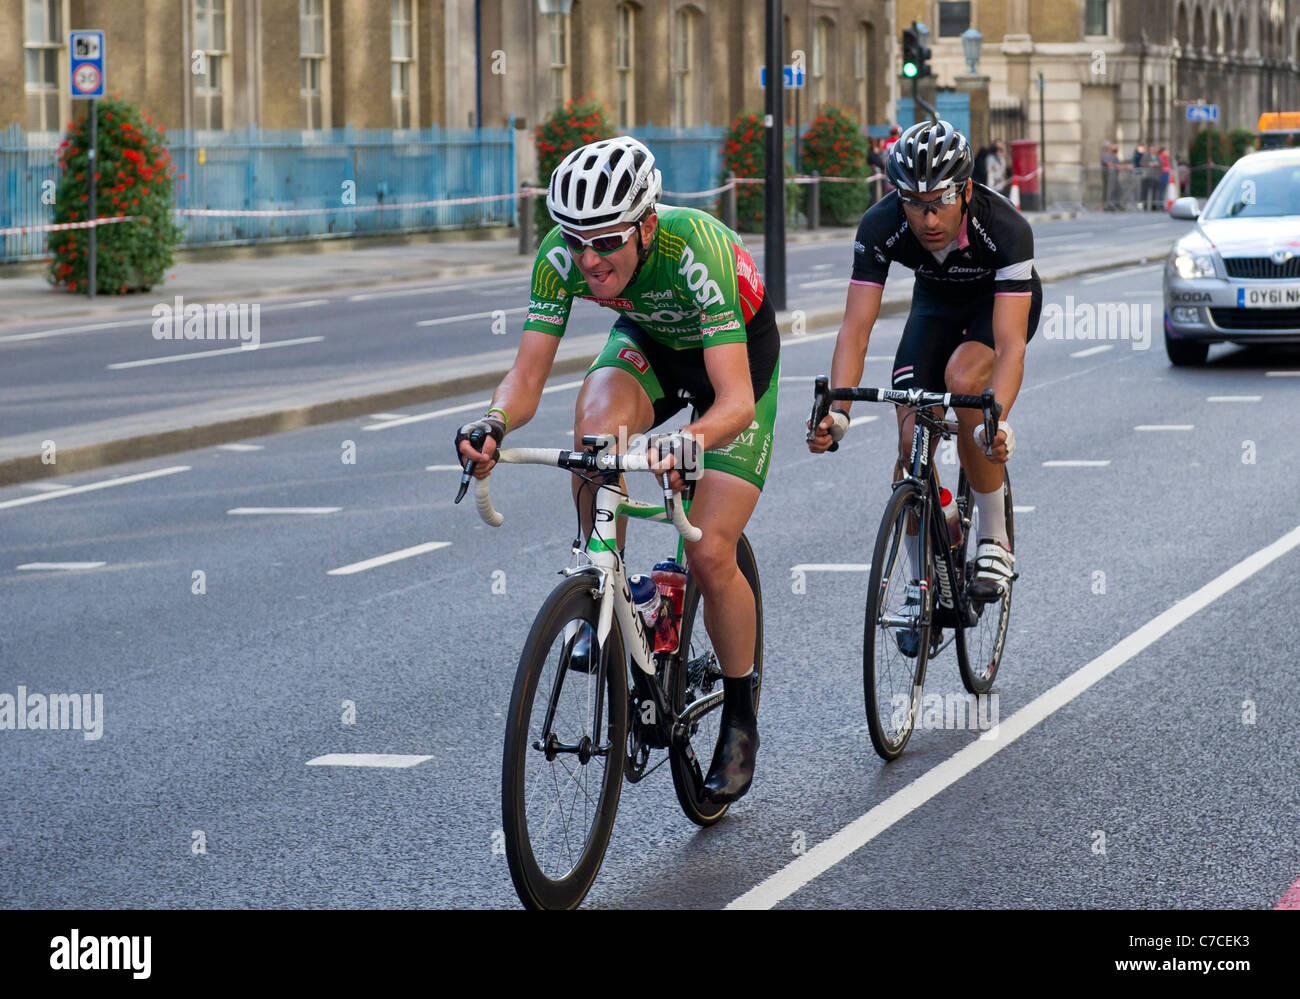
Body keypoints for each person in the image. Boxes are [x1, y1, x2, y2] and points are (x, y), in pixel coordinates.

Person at [455, 136, 778, 804]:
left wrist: (686, 440)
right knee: (594, 438)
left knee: (711, 549)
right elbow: (526, 376)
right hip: (650, 347)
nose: (589, 259)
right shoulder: (561, 256)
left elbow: (736, 401)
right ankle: (618, 589)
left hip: (734, 360)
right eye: (577, 242)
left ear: (647, 226)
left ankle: (742, 716)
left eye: (606, 242)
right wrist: (492, 422)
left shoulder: (694, 249)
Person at [807, 119, 1041, 653]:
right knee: (910, 437)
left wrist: (996, 419)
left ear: (964, 190)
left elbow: (1010, 346)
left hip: (993, 313)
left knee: (963, 381)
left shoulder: (1005, 228)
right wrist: (837, 412)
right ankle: (923, 580)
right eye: (912, 202)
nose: (927, 218)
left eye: (938, 201)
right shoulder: (881, 225)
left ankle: (993, 537)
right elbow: (856, 327)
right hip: (934, 308)